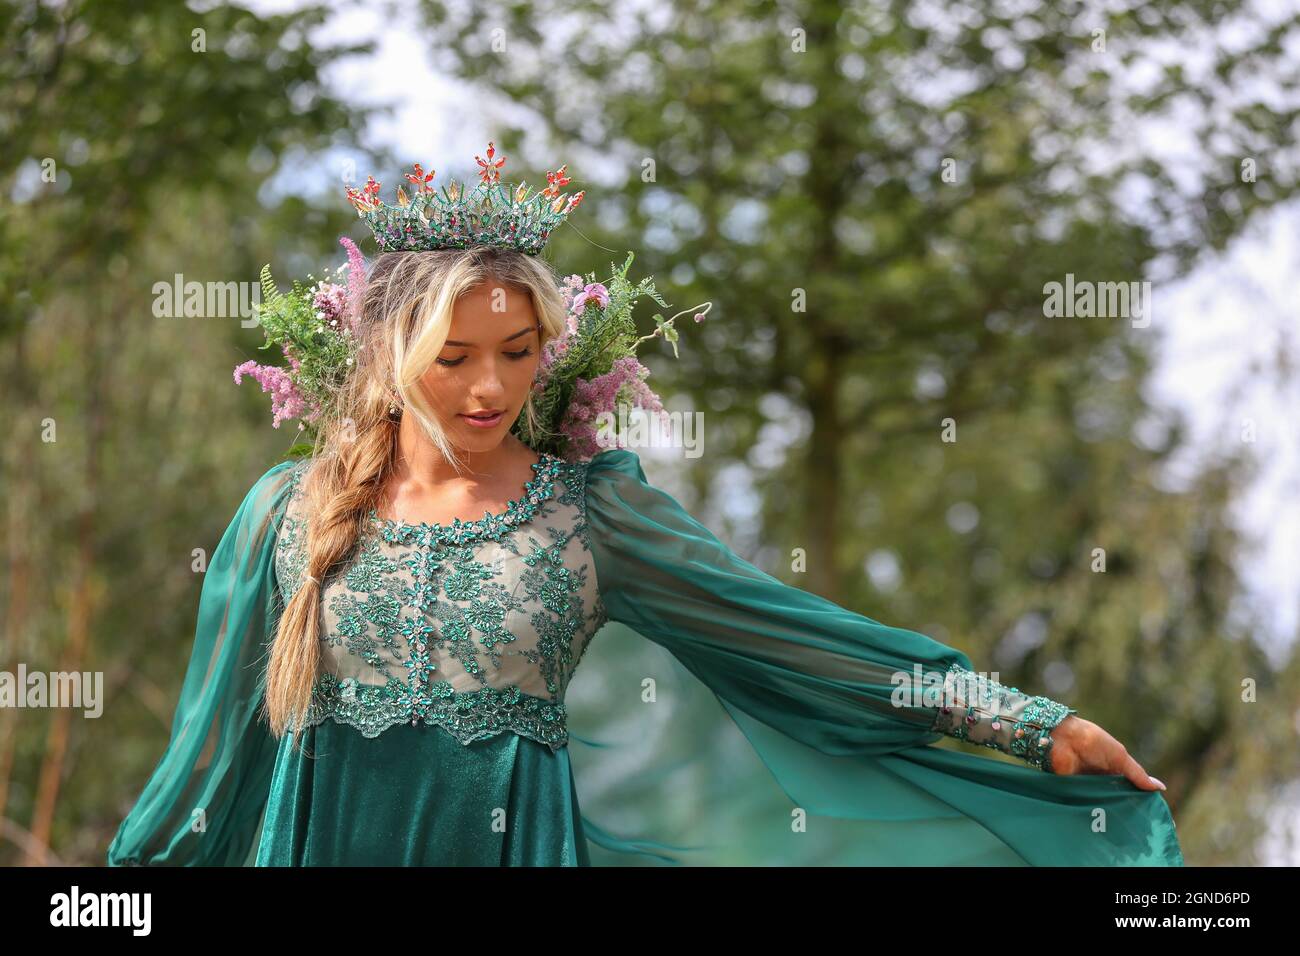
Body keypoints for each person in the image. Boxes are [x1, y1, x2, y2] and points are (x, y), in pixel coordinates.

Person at [107, 145, 1183, 867]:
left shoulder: (590, 519)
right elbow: (214, 773)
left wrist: (1031, 724)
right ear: (391, 354)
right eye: (457, 357)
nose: (490, 388)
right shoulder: (285, 514)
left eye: (518, 352)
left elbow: (797, 641)